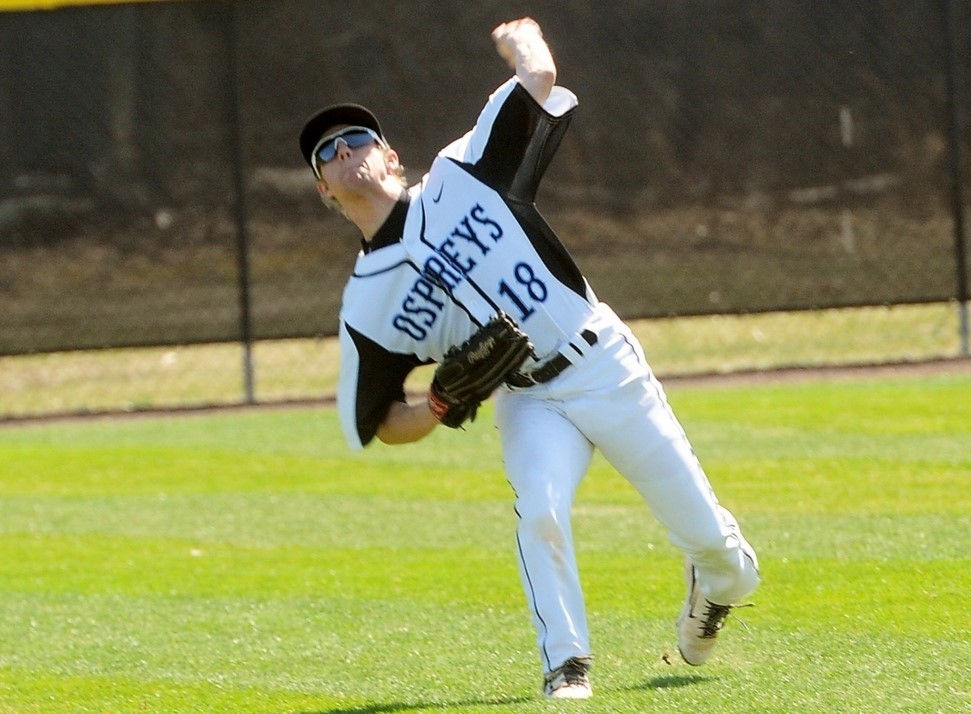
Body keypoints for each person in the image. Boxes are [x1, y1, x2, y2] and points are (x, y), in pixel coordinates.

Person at [298, 17, 760, 700]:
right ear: (325, 192)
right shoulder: (367, 304)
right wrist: (433, 404)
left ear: (391, 155)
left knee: (720, 549)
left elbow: (538, 77)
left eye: (357, 137)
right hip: (527, 397)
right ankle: (566, 665)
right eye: (327, 153)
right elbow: (375, 422)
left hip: (605, 366)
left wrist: (520, 37)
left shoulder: (464, 172)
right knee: (539, 508)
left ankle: (716, 581)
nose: (345, 151)